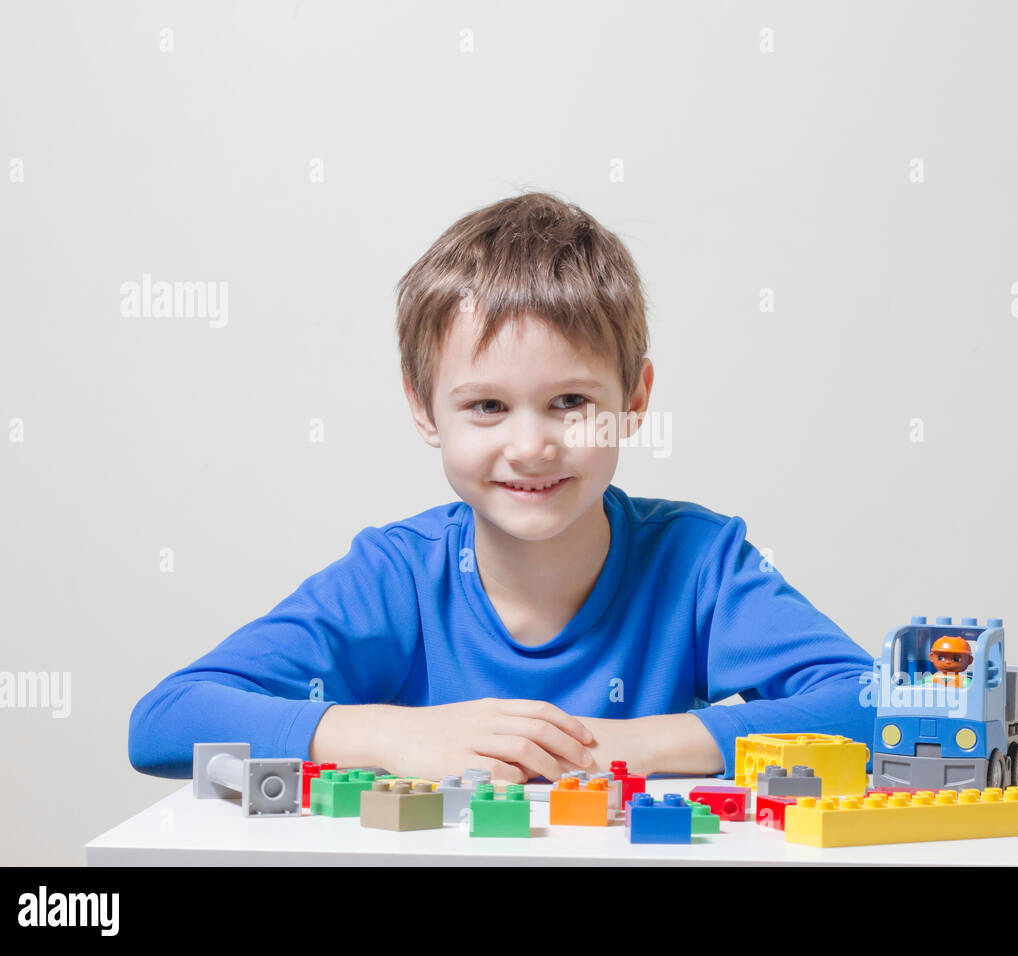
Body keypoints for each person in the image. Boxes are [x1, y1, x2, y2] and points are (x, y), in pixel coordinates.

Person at [128, 192, 875, 783]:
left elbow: (875, 708)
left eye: (571, 403)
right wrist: (393, 734)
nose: (530, 446)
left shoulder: (699, 562)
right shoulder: (398, 575)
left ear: (634, 402)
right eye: (487, 406)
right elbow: (163, 720)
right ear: (424, 407)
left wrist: (631, 745)